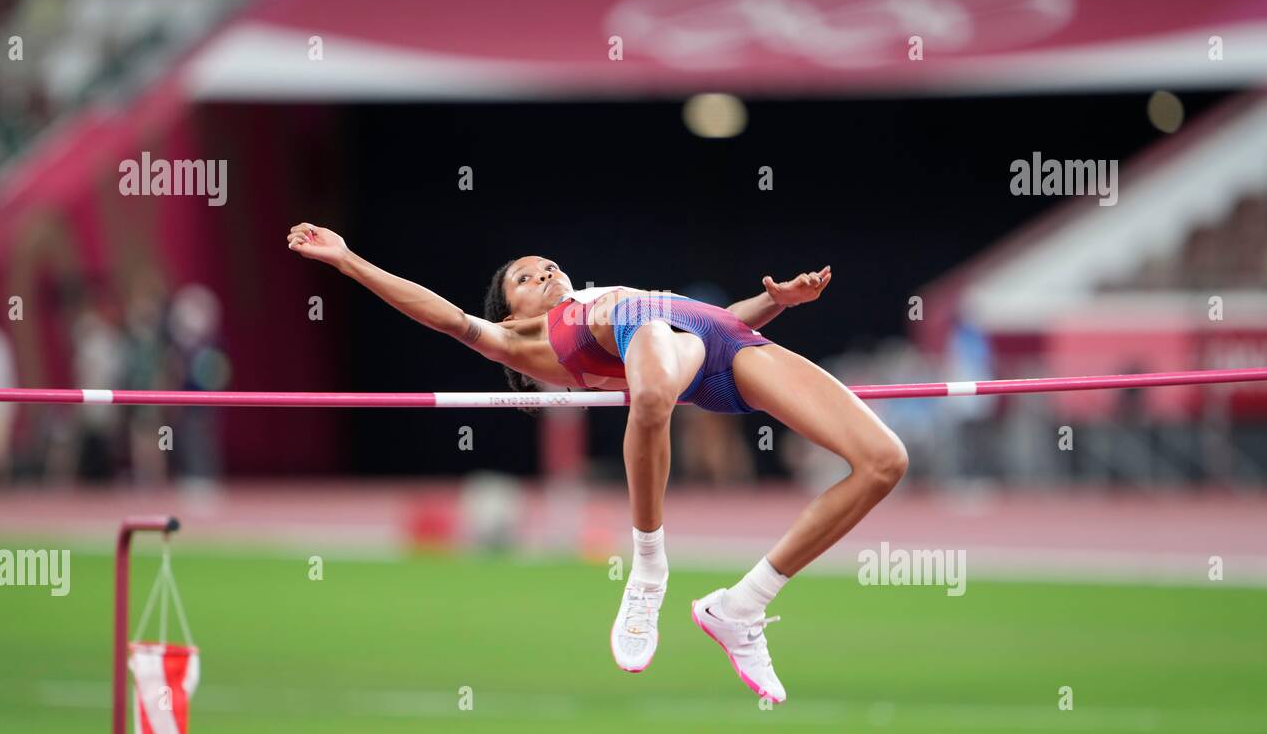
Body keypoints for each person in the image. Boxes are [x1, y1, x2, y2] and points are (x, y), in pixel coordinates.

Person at [287, 222, 908, 704]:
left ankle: (740, 607)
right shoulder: (534, 335)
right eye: (526, 278)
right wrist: (346, 260)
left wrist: (779, 304)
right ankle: (647, 570)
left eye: (547, 265)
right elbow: (442, 314)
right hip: (658, 351)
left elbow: (708, 323)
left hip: (720, 343)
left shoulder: (612, 298)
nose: (544, 272)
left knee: (884, 460)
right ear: (510, 316)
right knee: (654, 385)